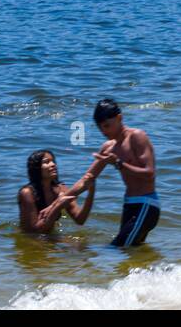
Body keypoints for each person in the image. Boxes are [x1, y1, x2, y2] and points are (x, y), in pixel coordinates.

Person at [60, 99, 159, 248]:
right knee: (130, 252)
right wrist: (56, 204)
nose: (104, 132)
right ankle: (162, 272)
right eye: (100, 128)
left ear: (119, 118)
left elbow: (149, 173)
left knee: (116, 248)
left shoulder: (136, 137)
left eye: (107, 126)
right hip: (129, 206)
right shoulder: (108, 148)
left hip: (146, 205)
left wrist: (119, 163)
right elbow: (85, 181)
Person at [19, 149, 93, 234]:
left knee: (82, 245)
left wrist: (91, 193)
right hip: (31, 239)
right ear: (36, 168)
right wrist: (58, 206)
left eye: (53, 161)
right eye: (47, 162)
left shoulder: (61, 189)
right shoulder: (27, 193)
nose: (53, 164)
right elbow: (34, 231)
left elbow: (80, 220)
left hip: (50, 236)